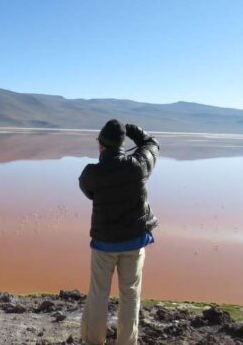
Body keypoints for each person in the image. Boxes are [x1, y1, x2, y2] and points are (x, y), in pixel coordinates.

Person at [78, 119, 160, 345]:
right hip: (134, 243)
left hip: (104, 245)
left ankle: (94, 341)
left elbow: (88, 189)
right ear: (121, 144)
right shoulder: (138, 166)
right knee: (130, 295)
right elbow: (152, 145)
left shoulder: (92, 173)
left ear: (102, 145)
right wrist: (139, 134)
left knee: (98, 295)